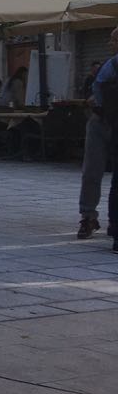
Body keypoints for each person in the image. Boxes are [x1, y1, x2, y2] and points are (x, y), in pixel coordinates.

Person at [80, 30, 118, 240]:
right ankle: (111, 222)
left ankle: (88, 216)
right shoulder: (110, 64)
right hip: (108, 122)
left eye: (113, 40)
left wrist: (98, 102)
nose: (109, 43)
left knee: (92, 171)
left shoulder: (111, 64)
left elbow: (97, 90)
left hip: (101, 121)